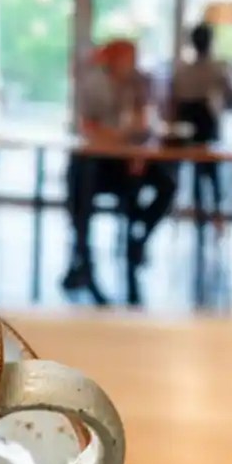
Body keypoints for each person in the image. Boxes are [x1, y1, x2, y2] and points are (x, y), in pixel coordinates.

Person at [63, 39, 178, 306]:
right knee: (82, 183)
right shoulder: (94, 84)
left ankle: (139, 237)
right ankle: (83, 260)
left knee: (167, 183)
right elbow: (88, 127)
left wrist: (138, 150)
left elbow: (146, 122)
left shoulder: (139, 83)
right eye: (128, 58)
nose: (132, 64)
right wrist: (118, 140)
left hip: (132, 158)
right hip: (99, 162)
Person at [168, 23, 232, 224]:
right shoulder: (218, 69)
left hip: (188, 123)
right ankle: (214, 212)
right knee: (209, 168)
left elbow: (173, 101)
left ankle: (202, 210)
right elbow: (231, 97)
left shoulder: (182, 71)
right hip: (205, 121)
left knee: (199, 166)